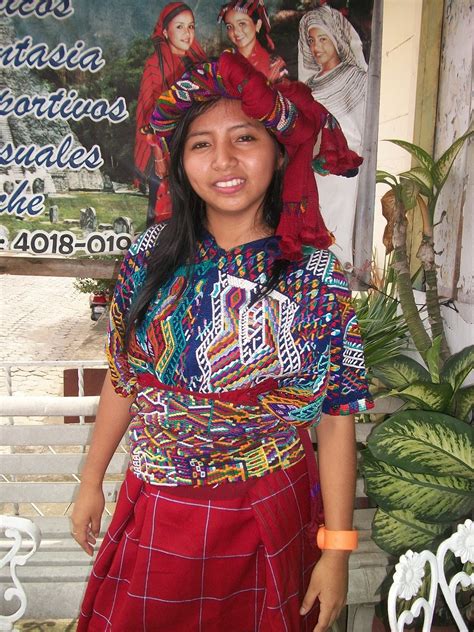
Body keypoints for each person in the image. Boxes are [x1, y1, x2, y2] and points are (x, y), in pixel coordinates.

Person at [72, 51, 373, 631]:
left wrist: (336, 550)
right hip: (158, 506)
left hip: (269, 509)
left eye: (245, 138)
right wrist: (91, 483)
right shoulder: (149, 256)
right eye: (201, 144)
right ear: (180, 163)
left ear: (279, 150)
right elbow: (122, 377)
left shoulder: (318, 275)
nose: (224, 160)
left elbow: (338, 416)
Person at [298, 5, 368, 269]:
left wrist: (339, 153)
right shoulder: (309, 87)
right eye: (312, 40)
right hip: (314, 174)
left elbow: (361, 127)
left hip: (346, 172)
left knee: (341, 229)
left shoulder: (356, 79)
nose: (317, 47)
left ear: (337, 40)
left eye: (323, 39)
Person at [134, 2, 206, 226]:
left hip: (198, 150)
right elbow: (148, 115)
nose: (187, 33)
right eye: (180, 27)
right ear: (165, 31)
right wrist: (158, 154)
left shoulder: (200, 63)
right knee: (164, 220)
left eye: (191, 27)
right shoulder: (154, 66)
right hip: (165, 154)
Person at [218, 0, 287, 83]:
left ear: (258, 25)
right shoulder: (227, 61)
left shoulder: (274, 65)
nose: (235, 32)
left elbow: (283, 93)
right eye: (229, 26)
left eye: (242, 24)